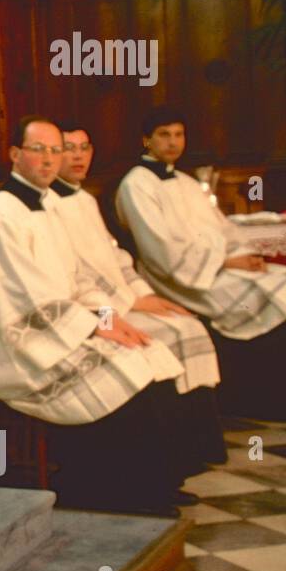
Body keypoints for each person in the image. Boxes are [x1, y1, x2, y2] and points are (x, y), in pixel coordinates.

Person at [0, 116, 195, 516]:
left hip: (60, 327)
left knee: (149, 355)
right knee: (121, 371)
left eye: (55, 150)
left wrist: (109, 319)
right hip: (15, 343)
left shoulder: (50, 209)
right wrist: (92, 326)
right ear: (15, 154)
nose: (48, 160)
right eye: (37, 150)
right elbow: (20, 299)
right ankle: (111, 494)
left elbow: (78, 279)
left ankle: (155, 484)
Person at [49, 123, 226, 471]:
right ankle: (162, 463)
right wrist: (124, 306)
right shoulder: (47, 206)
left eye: (85, 147)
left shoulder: (84, 199)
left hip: (120, 300)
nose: (79, 156)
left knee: (186, 325)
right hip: (92, 311)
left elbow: (115, 258)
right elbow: (73, 276)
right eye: (69, 148)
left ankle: (194, 453)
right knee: (159, 338)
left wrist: (145, 296)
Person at [115, 106, 286, 420]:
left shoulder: (186, 182)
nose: (173, 142)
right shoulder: (136, 185)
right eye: (164, 135)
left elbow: (224, 229)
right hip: (186, 281)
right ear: (146, 140)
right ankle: (279, 401)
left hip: (219, 268)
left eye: (179, 134)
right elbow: (162, 253)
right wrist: (229, 262)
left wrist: (247, 255)